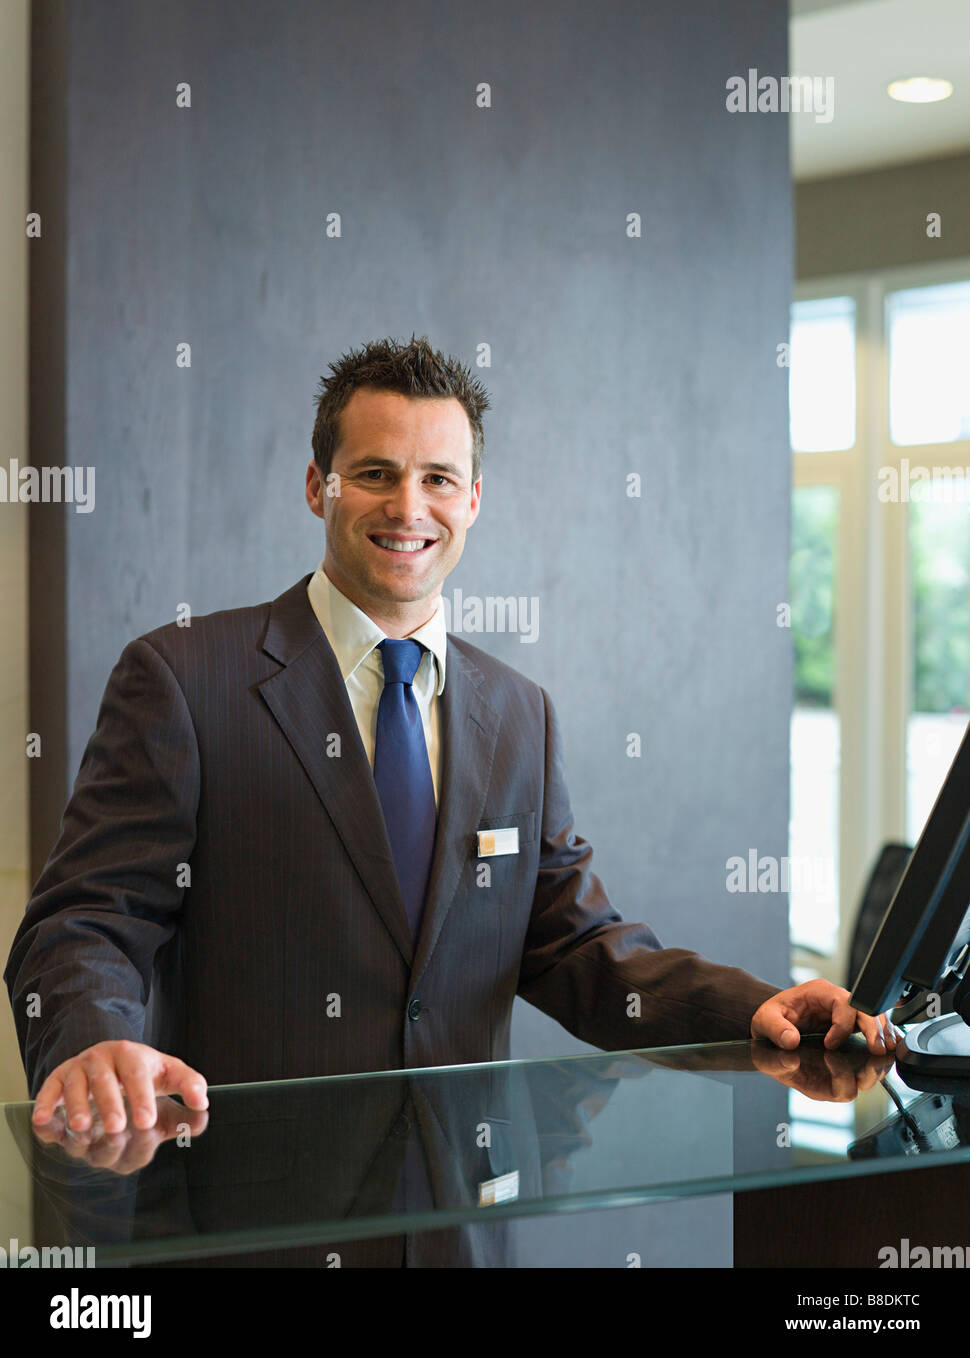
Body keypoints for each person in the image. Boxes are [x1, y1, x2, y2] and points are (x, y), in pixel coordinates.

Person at [6, 335, 900, 1140]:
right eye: (374, 473)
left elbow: (577, 948)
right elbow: (88, 918)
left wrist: (755, 1008)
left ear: (473, 500)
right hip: (246, 1209)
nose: (409, 505)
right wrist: (91, 1045)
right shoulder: (184, 678)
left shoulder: (517, 711)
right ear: (318, 486)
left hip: (460, 1208)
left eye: (437, 478)